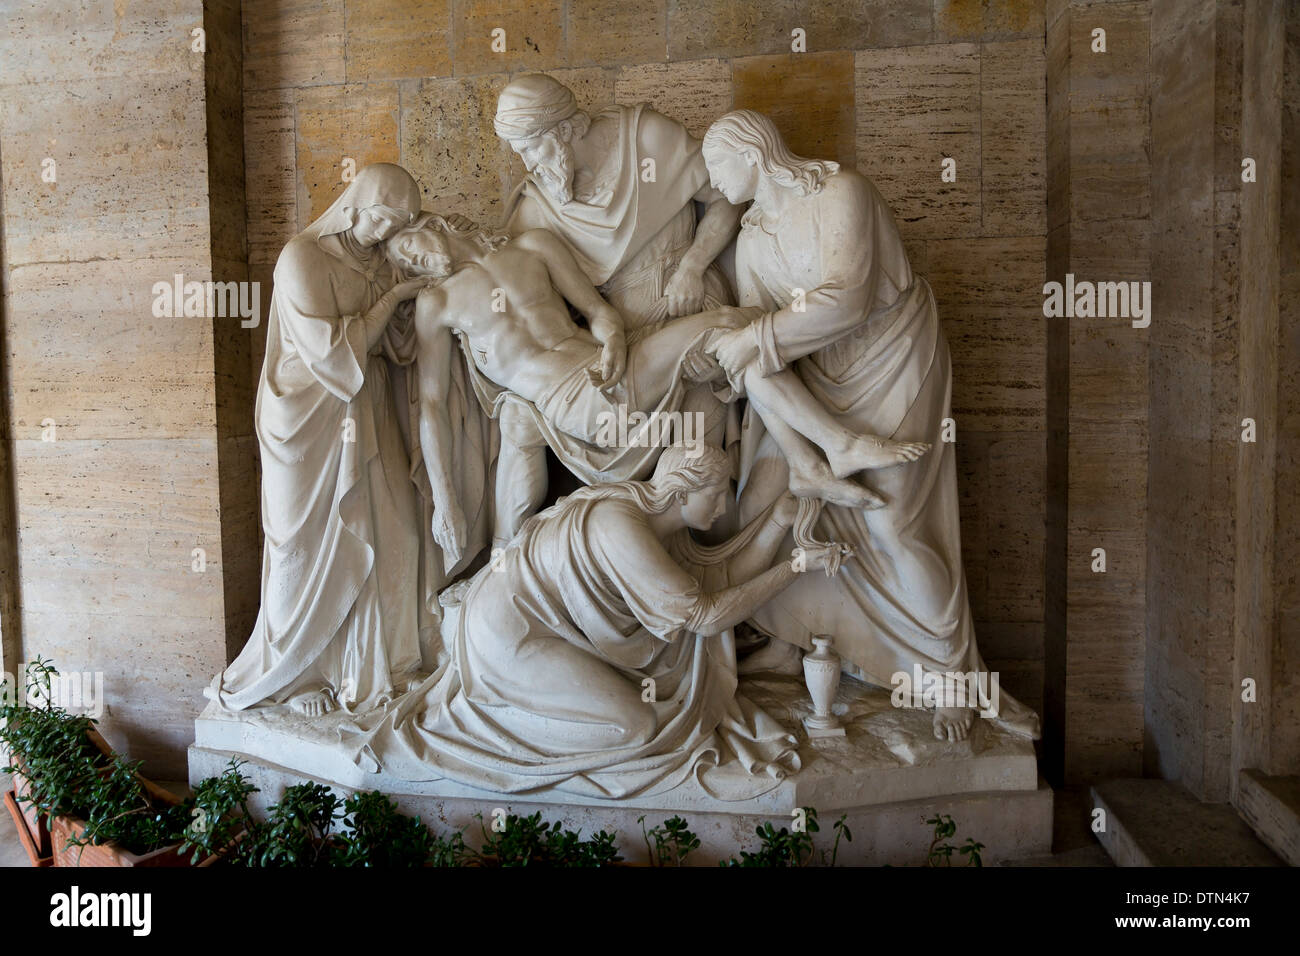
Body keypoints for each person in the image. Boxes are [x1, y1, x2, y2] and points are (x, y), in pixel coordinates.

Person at [700, 111, 1041, 742]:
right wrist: (736, 344)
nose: (713, 181)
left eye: (717, 165)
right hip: (814, 377)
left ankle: (948, 673)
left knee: (892, 521)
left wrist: (754, 339)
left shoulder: (840, 193)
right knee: (767, 502)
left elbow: (850, 295)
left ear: (752, 151)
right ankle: (805, 632)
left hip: (892, 356)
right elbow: (754, 322)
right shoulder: (749, 240)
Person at [386, 216, 929, 556]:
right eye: (404, 264)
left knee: (735, 326)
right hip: (572, 404)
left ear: (433, 221)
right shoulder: (437, 303)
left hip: (614, 370)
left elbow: (600, 314)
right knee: (729, 329)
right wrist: (445, 503)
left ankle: (809, 464)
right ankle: (824, 451)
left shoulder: (532, 247)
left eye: (409, 242)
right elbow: (431, 405)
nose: (414, 258)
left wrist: (616, 342)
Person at [341, 446, 850, 799]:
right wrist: (795, 567)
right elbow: (705, 616)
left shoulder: (654, 521)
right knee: (635, 725)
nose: (723, 506)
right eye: (716, 494)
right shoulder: (622, 527)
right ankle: (482, 719)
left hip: (550, 635)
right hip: (509, 639)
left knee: (641, 715)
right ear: (681, 491)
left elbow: (714, 581)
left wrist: (781, 522)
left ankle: (526, 705)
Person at [211, 164, 430, 717]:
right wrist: (393, 298)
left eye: (396, 224)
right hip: (305, 422)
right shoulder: (301, 258)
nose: (384, 232)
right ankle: (296, 676)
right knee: (301, 547)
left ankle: (382, 663)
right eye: (381, 217)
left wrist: (412, 303)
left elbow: (396, 349)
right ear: (356, 203)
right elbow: (334, 352)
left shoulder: (380, 262)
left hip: (367, 414)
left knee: (394, 528)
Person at [492, 73, 745, 541]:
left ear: (565, 129)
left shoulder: (646, 139)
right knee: (521, 415)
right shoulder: (539, 206)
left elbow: (729, 195)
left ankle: (710, 571)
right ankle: (511, 563)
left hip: (687, 312)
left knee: (698, 466)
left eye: (530, 146)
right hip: (622, 353)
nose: (527, 163)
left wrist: (692, 265)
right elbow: (526, 297)